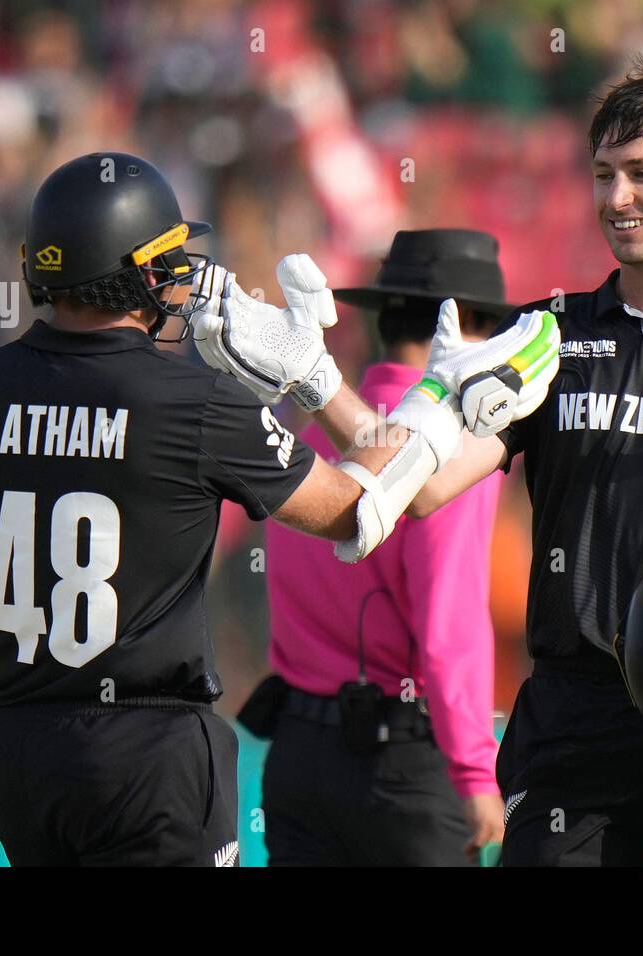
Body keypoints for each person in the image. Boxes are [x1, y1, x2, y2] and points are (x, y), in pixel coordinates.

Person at [201, 61, 643, 866]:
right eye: (603, 175)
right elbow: (417, 486)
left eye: (642, 174)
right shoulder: (542, 336)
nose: (616, 198)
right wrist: (317, 382)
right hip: (575, 722)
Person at [0, 152, 560, 866]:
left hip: (24, 755)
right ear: (142, 271)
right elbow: (353, 512)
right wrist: (415, 398)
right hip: (154, 760)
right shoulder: (193, 403)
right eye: (168, 260)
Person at [257, 229, 510, 866]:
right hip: (401, 770)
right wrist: (477, 774)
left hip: (297, 756)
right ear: (468, 324)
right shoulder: (449, 443)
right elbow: (447, 624)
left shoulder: (304, 424)